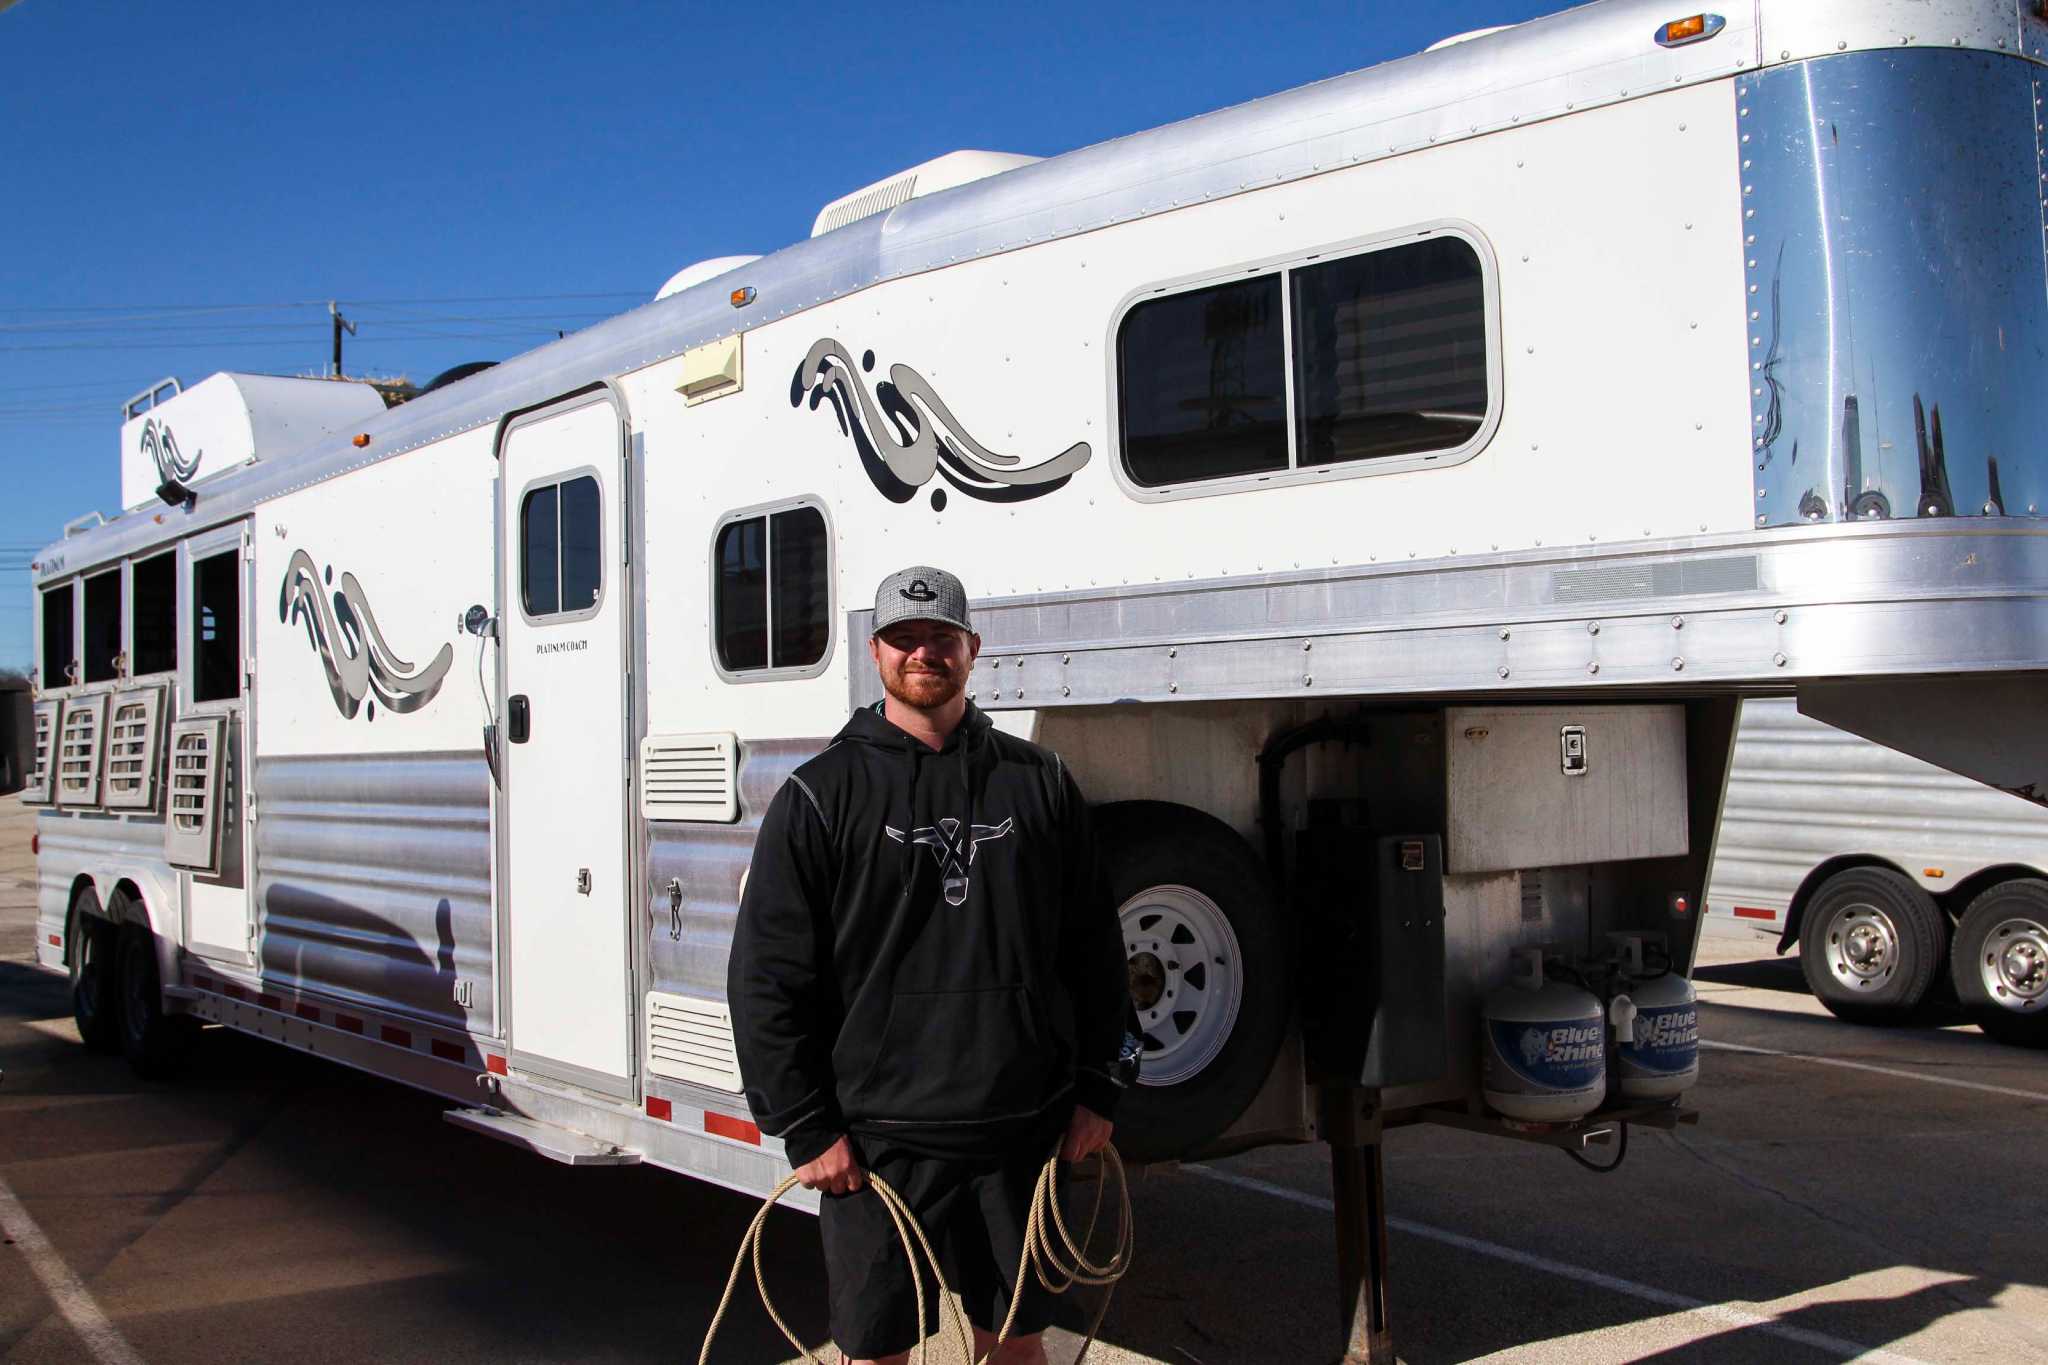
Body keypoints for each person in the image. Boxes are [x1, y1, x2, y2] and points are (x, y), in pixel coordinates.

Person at [729, 564, 1132, 1365]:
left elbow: (1094, 944)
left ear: (971, 649)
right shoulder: (820, 796)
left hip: (1017, 1127)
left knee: (1016, 1344)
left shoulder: (1039, 781)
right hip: (877, 1146)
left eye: (940, 638)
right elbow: (768, 976)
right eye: (905, 639)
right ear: (875, 652)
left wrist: (1101, 1082)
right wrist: (805, 1124)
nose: (924, 654)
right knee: (878, 1352)